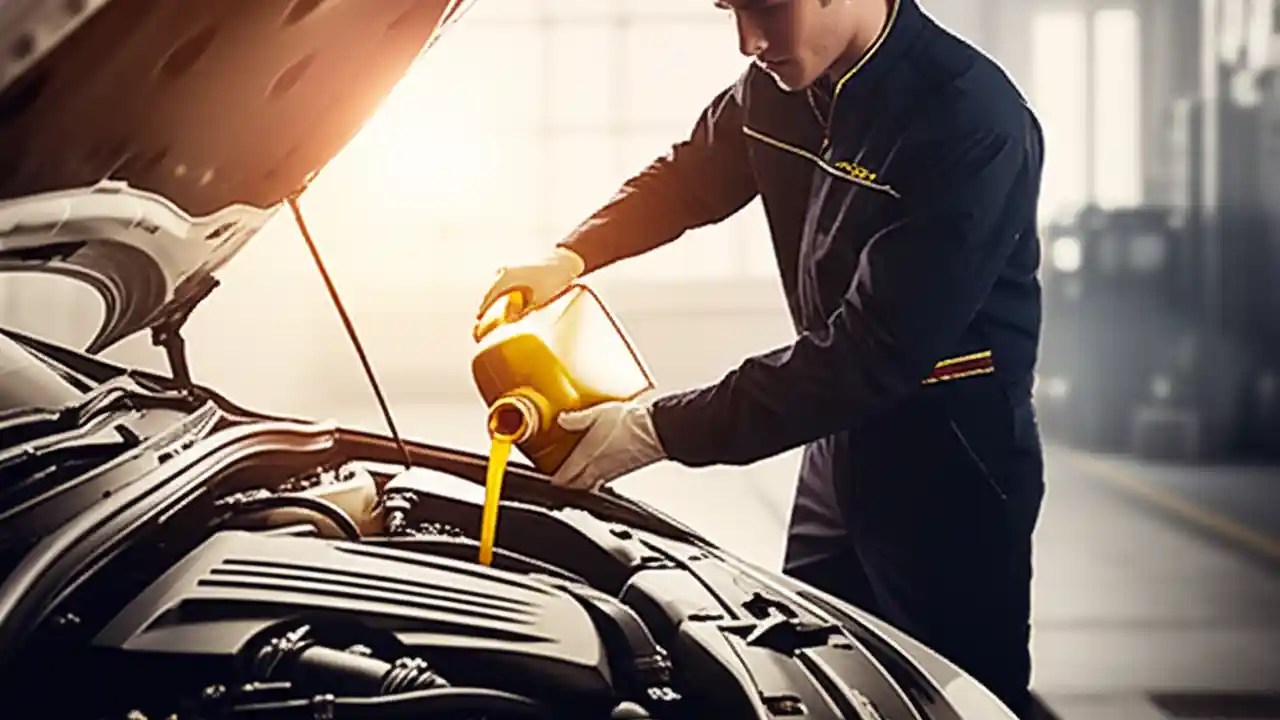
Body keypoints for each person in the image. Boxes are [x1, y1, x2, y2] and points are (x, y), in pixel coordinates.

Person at [477, 0, 1046, 715]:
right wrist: (571, 255)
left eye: (768, 9)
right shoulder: (780, 85)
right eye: (733, 9)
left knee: (956, 700)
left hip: (948, 458)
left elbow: (871, 353)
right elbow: (690, 177)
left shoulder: (969, 122)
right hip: (836, 446)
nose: (748, 41)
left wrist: (655, 430)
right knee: (813, 673)